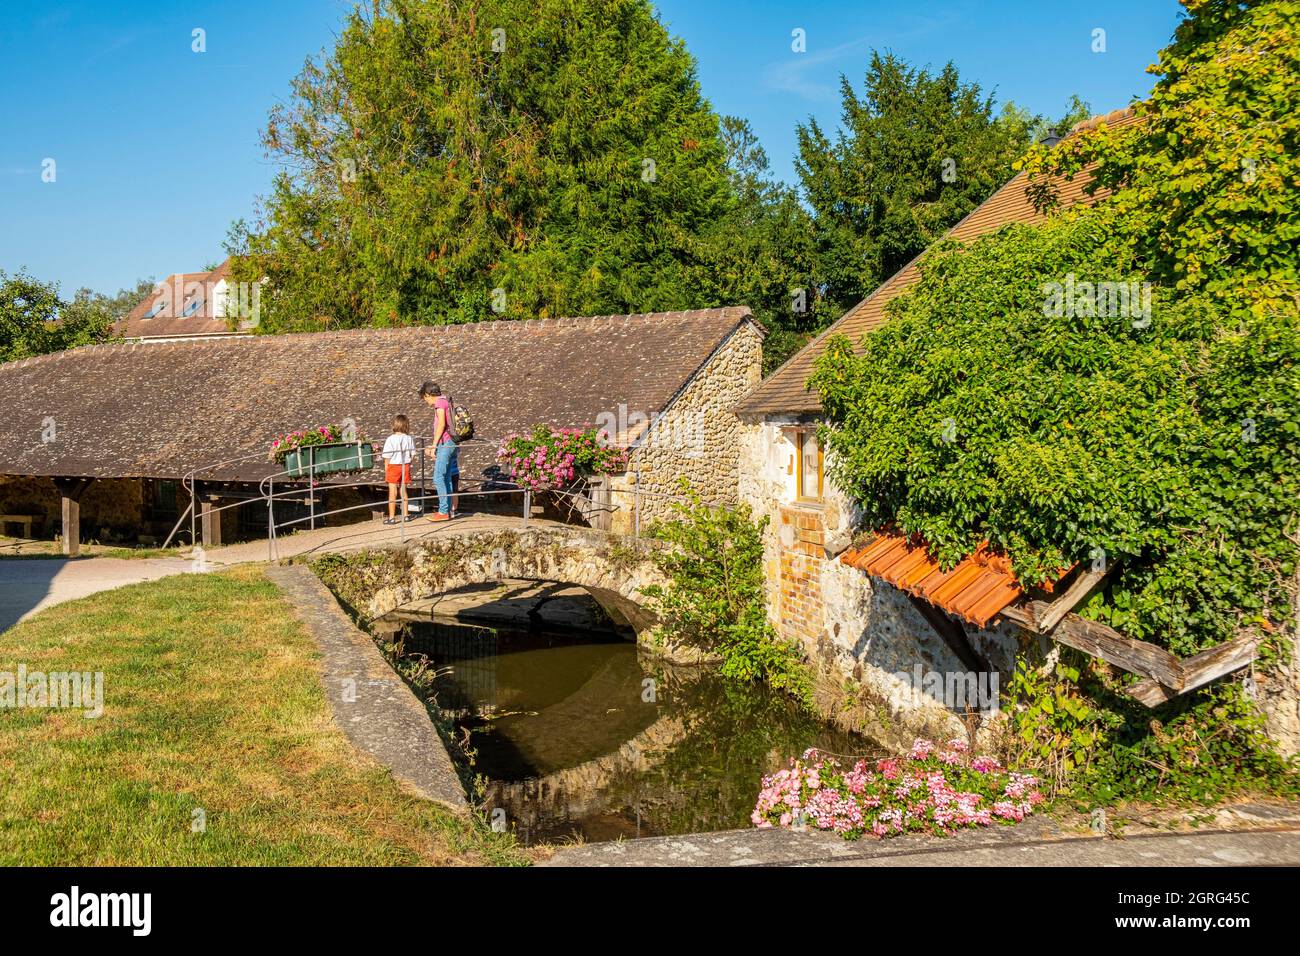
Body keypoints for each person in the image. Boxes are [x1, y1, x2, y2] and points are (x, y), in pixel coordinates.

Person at [418, 381, 458, 521]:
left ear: (428, 394)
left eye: (425, 398)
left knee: (438, 477)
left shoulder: (440, 404)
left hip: (446, 444)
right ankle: (447, 511)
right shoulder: (446, 401)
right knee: (446, 478)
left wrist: (433, 446)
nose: (426, 401)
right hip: (451, 443)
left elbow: (441, 424)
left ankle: (443, 512)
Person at [380, 415, 417, 524]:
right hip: (404, 465)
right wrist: (409, 462)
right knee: (403, 491)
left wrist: (386, 470)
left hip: (393, 466)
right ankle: (406, 515)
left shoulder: (390, 439)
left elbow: (387, 456)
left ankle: (392, 517)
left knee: (392, 492)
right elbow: (413, 454)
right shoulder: (409, 438)